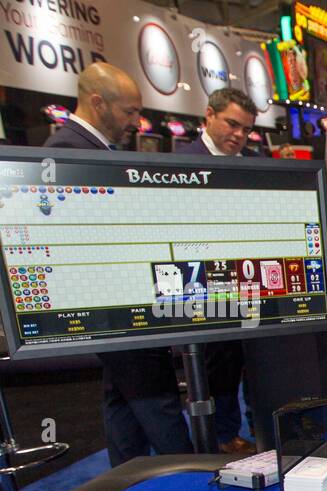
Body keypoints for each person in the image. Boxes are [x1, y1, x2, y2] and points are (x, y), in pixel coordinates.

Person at [42, 63, 195, 467]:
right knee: (157, 396)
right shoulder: (68, 150)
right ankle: (197, 479)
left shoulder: (88, 149)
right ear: (97, 102)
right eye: (129, 111)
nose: (136, 121)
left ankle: (126, 482)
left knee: (124, 399)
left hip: (116, 302)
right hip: (117, 303)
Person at [178, 87, 260, 454]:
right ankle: (219, 439)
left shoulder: (251, 163)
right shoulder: (180, 163)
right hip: (201, 281)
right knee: (215, 365)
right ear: (208, 116)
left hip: (246, 277)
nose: (239, 135)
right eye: (232, 124)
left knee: (244, 361)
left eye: (246, 129)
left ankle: (240, 431)